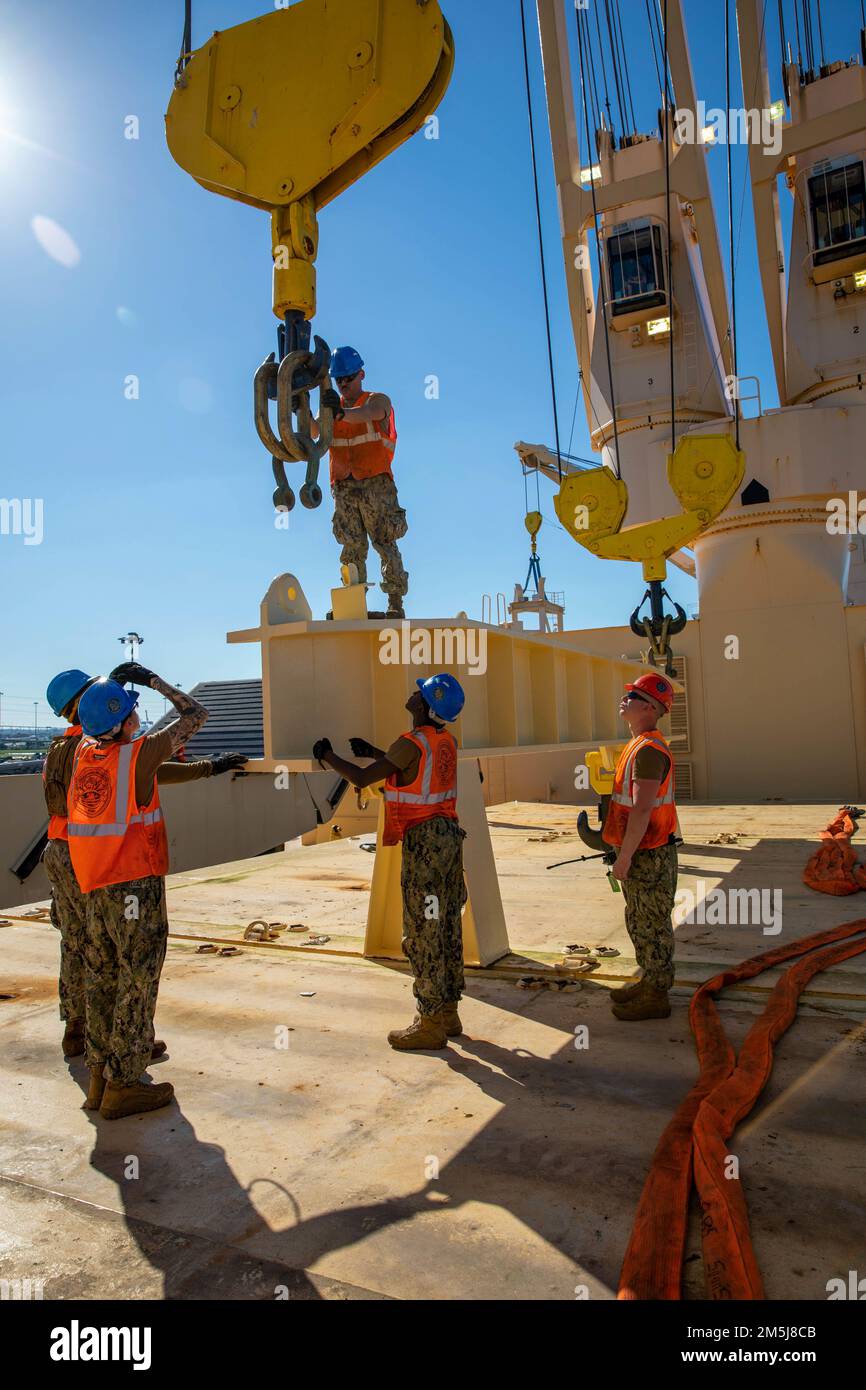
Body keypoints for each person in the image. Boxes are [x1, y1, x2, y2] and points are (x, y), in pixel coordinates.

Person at [67, 662, 244, 1118]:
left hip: (95, 887)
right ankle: (125, 1085)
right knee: (137, 979)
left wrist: (115, 692)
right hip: (134, 887)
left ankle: (99, 1079)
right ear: (125, 721)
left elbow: (135, 758)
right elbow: (195, 714)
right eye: (132, 713)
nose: (138, 717)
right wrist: (153, 680)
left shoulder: (85, 754)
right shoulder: (136, 755)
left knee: (103, 979)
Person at [313, 673, 466, 1050]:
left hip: (425, 844)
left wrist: (327, 755)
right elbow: (413, 773)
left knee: (423, 929)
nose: (413, 693)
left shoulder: (410, 743)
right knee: (445, 922)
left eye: (421, 692)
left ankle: (429, 1022)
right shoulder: (444, 741)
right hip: (448, 838)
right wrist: (378, 752)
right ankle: (447, 1011)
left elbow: (364, 779)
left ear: (426, 707)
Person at [604, 672, 678, 1021]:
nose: (625, 699)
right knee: (639, 921)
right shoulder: (638, 745)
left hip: (648, 855)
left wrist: (624, 858)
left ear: (650, 708)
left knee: (651, 923)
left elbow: (643, 809)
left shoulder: (648, 750)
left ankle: (656, 994)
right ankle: (649, 981)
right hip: (644, 852)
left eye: (633, 696)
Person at [328, 345, 408, 618]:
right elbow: (313, 430)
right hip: (344, 488)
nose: (344, 384)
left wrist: (339, 414)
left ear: (361, 374)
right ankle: (352, 605)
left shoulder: (378, 400)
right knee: (351, 546)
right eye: (339, 380)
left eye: (348, 378)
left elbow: (367, 414)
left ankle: (395, 603)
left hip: (376, 484)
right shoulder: (330, 408)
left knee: (385, 542)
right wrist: (297, 410)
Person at [43, 670, 96, 1058]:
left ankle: (74, 1028)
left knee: (73, 941)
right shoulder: (92, 747)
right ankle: (110, 1036)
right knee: (102, 944)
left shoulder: (56, 749)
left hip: (57, 850)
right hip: (84, 853)